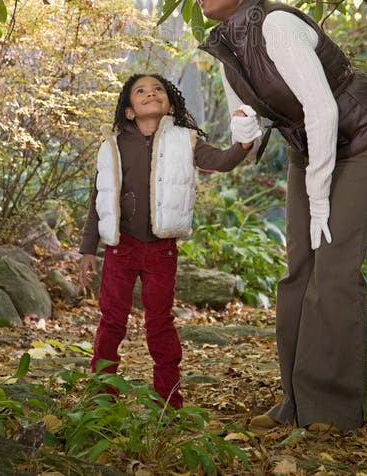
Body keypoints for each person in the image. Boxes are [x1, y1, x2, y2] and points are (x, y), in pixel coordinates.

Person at [196, 0, 367, 433]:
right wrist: (212, 149)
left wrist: (320, 197)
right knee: (298, 273)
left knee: (334, 271)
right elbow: (245, 126)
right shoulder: (227, 51)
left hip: (362, 142)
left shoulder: (276, 26)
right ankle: (295, 400)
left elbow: (323, 110)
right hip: (309, 151)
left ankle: (331, 411)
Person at [78, 72, 261, 409]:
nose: (150, 93)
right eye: (140, 91)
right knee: (112, 319)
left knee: (160, 321)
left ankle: (168, 398)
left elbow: (221, 161)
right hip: (121, 246)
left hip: (161, 249)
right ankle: (101, 392)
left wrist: (244, 143)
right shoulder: (113, 145)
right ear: (129, 110)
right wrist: (89, 248)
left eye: (158, 89)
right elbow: (98, 198)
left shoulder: (185, 140)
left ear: (170, 105)